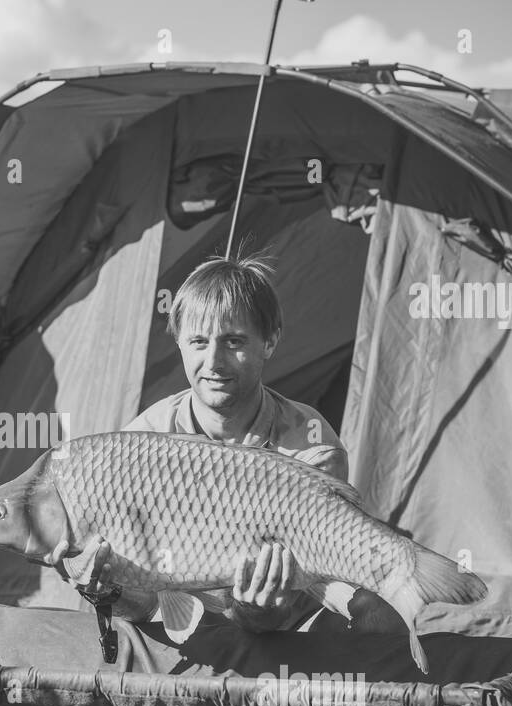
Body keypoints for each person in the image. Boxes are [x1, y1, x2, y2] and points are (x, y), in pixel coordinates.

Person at [65, 252, 349, 634]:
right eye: (198, 341)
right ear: (180, 342)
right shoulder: (142, 442)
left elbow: (297, 603)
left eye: (233, 341)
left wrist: (257, 609)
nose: (213, 361)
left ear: (270, 341)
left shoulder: (310, 443)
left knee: (369, 613)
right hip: (174, 634)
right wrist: (104, 589)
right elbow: (141, 607)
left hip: (283, 638)